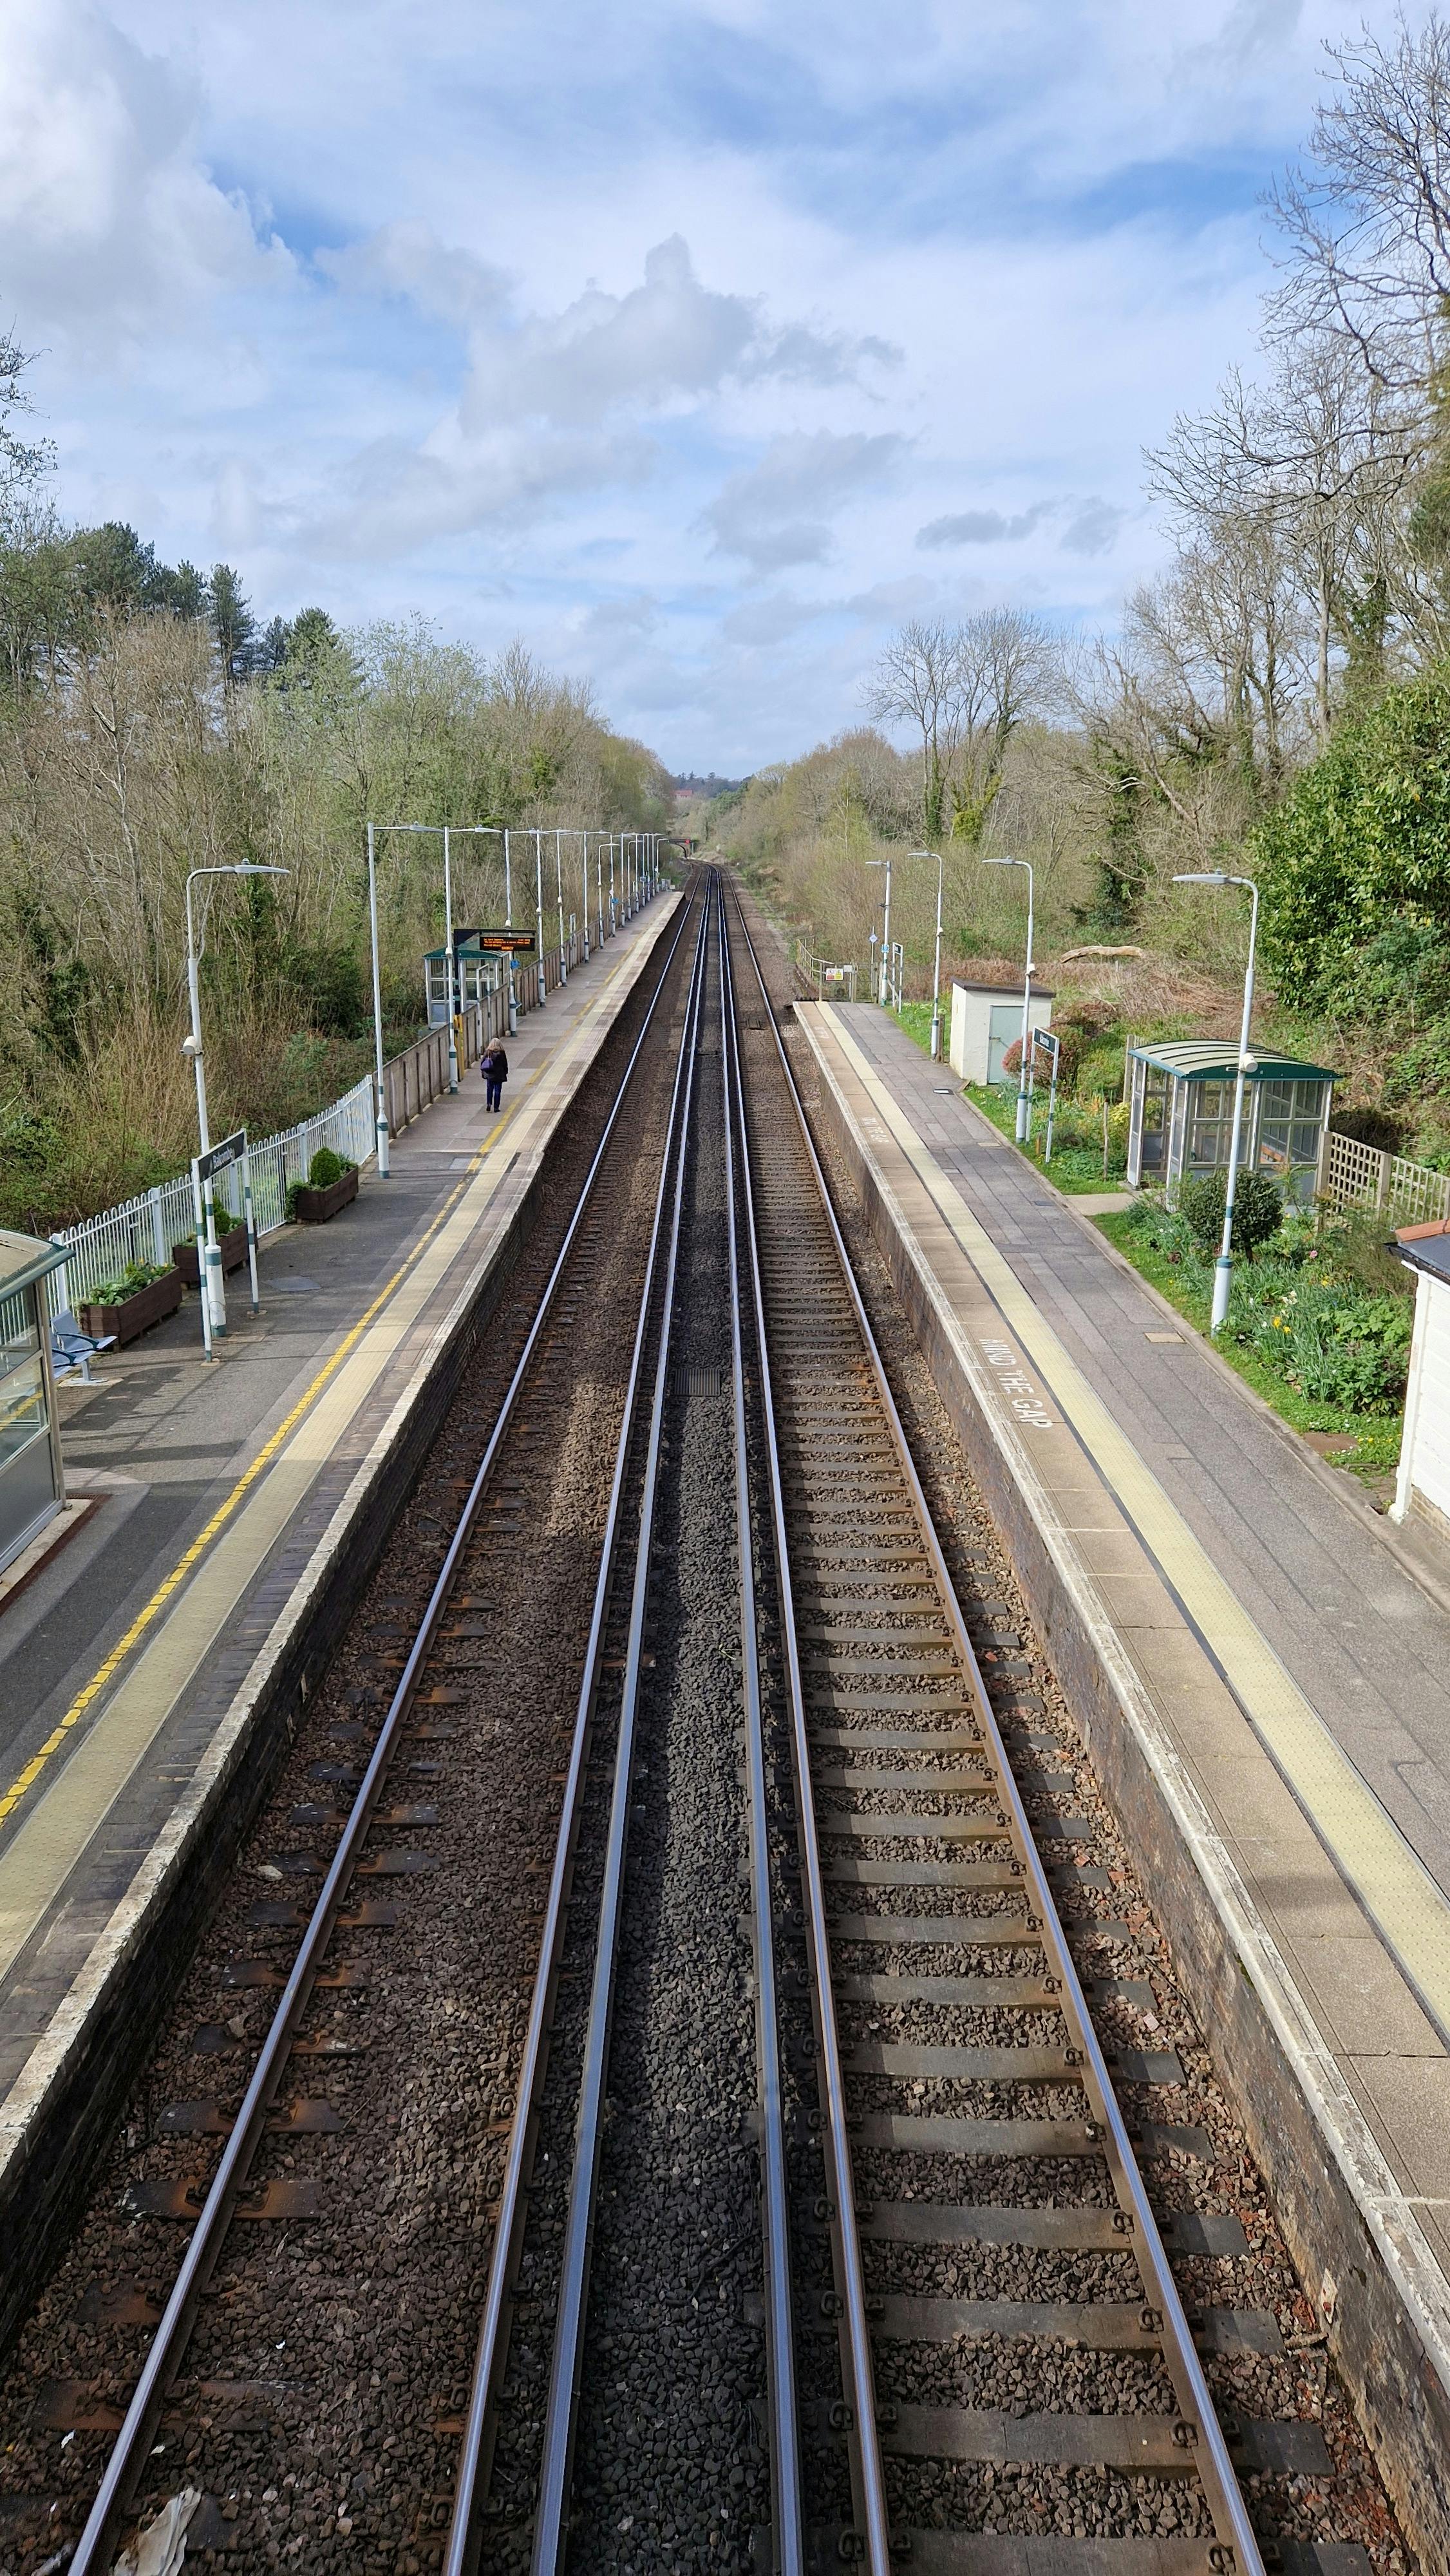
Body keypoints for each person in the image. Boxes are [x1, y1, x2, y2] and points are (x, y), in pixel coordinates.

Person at [481, 1036, 508, 1113]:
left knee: (489, 1090)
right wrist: (506, 1072)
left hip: (490, 1074)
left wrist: (484, 1073)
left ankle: (489, 1104)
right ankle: (496, 1108)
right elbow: (505, 1064)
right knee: (497, 1091)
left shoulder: (488, 1052)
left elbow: (483, 1063)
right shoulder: (502, 1053)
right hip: (499, 1075)